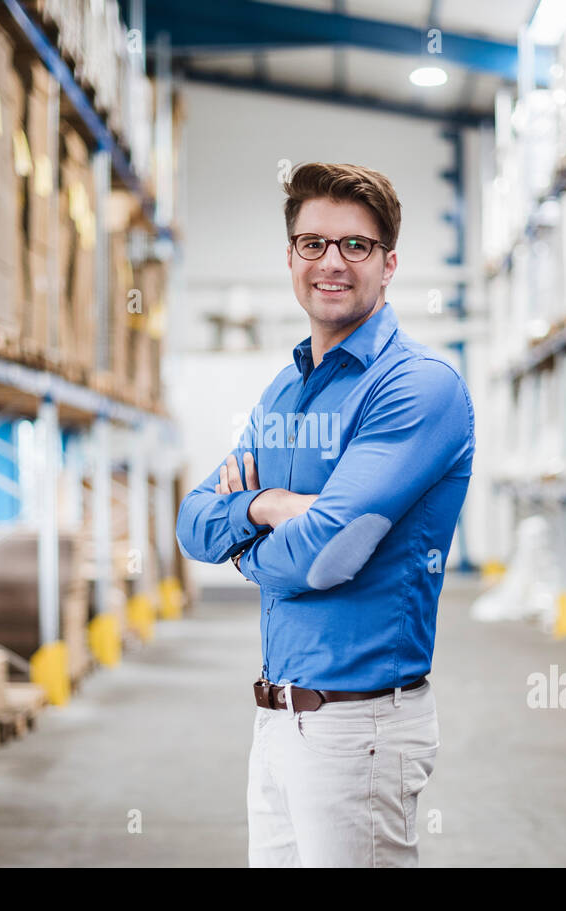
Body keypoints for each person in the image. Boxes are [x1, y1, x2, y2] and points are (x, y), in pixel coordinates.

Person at [176, 162, 475, 867]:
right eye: (312, 244)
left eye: (355, 245)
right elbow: (193, 521)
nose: (331, 262)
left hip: (360, 727)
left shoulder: (418, 387)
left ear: (389, 262)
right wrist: (270, 504)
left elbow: (327, 552)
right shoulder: (287, 389)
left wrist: (244, 547)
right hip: (278, 721)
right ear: (290, 258)